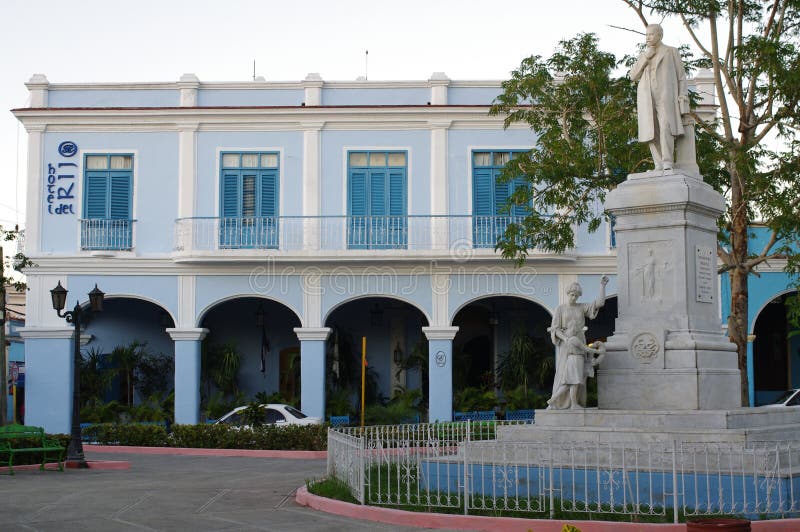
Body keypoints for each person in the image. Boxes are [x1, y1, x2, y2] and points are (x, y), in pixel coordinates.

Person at [630, 24, 689, 171]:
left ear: (659, 36)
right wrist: (645, 57)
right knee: (651, 131)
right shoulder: (644, 55)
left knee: (666, 127)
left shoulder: (671, 51)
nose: (647, 38)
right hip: (647, 97)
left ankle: (667, 160)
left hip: (666, 96)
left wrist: (683, 95)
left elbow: (681, 76)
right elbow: (633, 75)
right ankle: (658, 163)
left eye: (651, 35)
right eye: (646, 35)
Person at [547, 276, 609, 409]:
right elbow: (555, 329)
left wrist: (602, 286)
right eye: (572, 295)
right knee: (564, 375)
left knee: (577, 376)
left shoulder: (581, 307)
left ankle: (575, 403)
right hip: (567, 345)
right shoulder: (560, 309)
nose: (574, 297)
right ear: (567, 294)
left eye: (576, 295)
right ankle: (558, 404)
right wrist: (566, 339)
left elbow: (599, 303)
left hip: (579, 341)